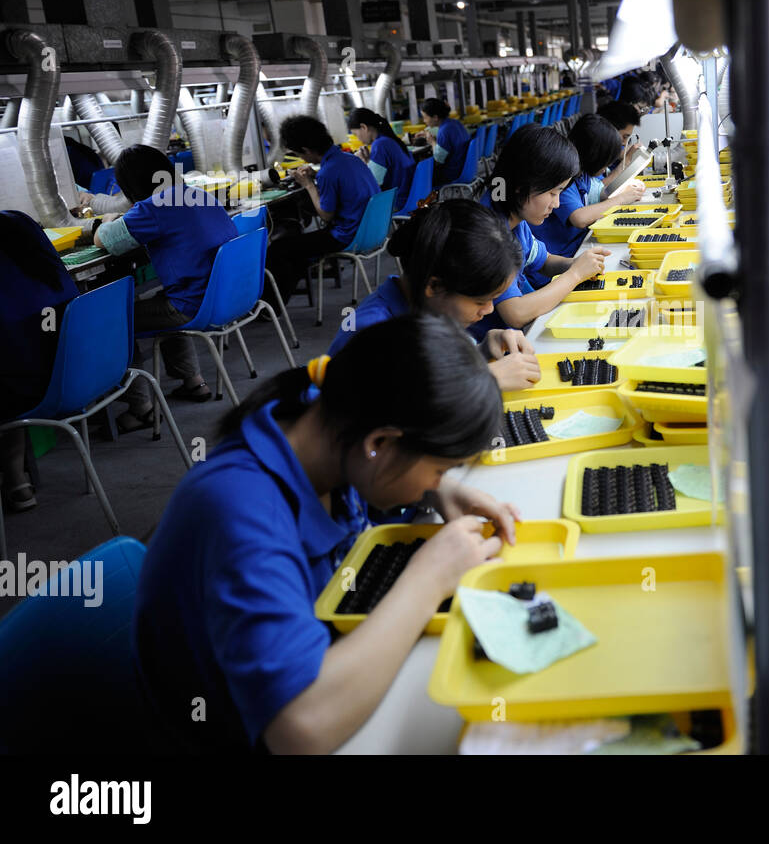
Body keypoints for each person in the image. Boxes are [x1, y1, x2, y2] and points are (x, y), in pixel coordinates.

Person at [133, 314, 517, 753]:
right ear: (379, 443)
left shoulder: (325, 417)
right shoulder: (240, 512)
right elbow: (300, 728)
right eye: (440, 469)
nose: (439, 480)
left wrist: (441, 491)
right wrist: (427, 582)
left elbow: (382, 462)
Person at [328, 198, 541, 392]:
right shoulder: (371, 334)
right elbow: (386, 414)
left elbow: (431, 373)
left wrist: (481, 351)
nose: (489, 309)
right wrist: (484, 378)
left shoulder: (431, 310)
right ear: (435, 286)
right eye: (481, 301)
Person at [93, 145, 236, 431]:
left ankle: (142, 408)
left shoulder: (153, 207)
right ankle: (193, 381)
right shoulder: (198, 193)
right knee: (164, 297)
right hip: (224, 296)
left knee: (112, 321)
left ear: (129, 186)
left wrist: (104, 220)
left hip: (192, 304)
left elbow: (105, 241)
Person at [473, 124, 609, 340]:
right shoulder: (489, 230)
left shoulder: (513, 212)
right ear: (522, 184)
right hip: (497, 349)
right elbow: (515, 313)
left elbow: (543, 261)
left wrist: (579, 264)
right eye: (552, 193)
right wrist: (574, 275)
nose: (556, 204)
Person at [0, 211, 80, 512]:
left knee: (11, 373)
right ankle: (17, 480)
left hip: (29, 389)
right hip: (80, 374)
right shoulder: (20, 223)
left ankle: (17, 479)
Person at [265, 115, 381, 303]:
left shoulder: (329, 171)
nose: (301, 158)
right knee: (297, 247)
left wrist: (309, 184)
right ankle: (284, 293)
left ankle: (272, 305)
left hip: (346, 236)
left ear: (306, 150)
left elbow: (326, 215)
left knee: (279, 248)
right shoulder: (350, 159)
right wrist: (317, 173)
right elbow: (338, 179)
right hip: (370, 229)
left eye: (299, 154)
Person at [530, 114, 646, 258]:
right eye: (606, 161)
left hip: (580, 248)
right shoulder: (563, 178)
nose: (607, 166)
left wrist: (626, 191)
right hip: (567, 254)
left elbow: (599, 193)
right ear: (594, 156)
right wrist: (621, 199)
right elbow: (579, 218)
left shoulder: (582, 174)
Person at [347, 107, 415, 213]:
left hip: (396, 201)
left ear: (363, 127)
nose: (358, 139)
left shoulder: (379, 145)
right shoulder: (389, 140)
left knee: (351, 208)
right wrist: (367, 161)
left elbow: (374, 185)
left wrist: (362, 164)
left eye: (356, 134)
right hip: (409, 195)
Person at [419, 98, 472, 188]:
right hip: (464, 167)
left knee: (419, 173)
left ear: (435, 117)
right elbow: (449, 141)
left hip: (452, 173)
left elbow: (438, 160)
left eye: (425, 117)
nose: (424, 121)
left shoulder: (444, 130)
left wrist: (432, 142)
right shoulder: (455, 123)